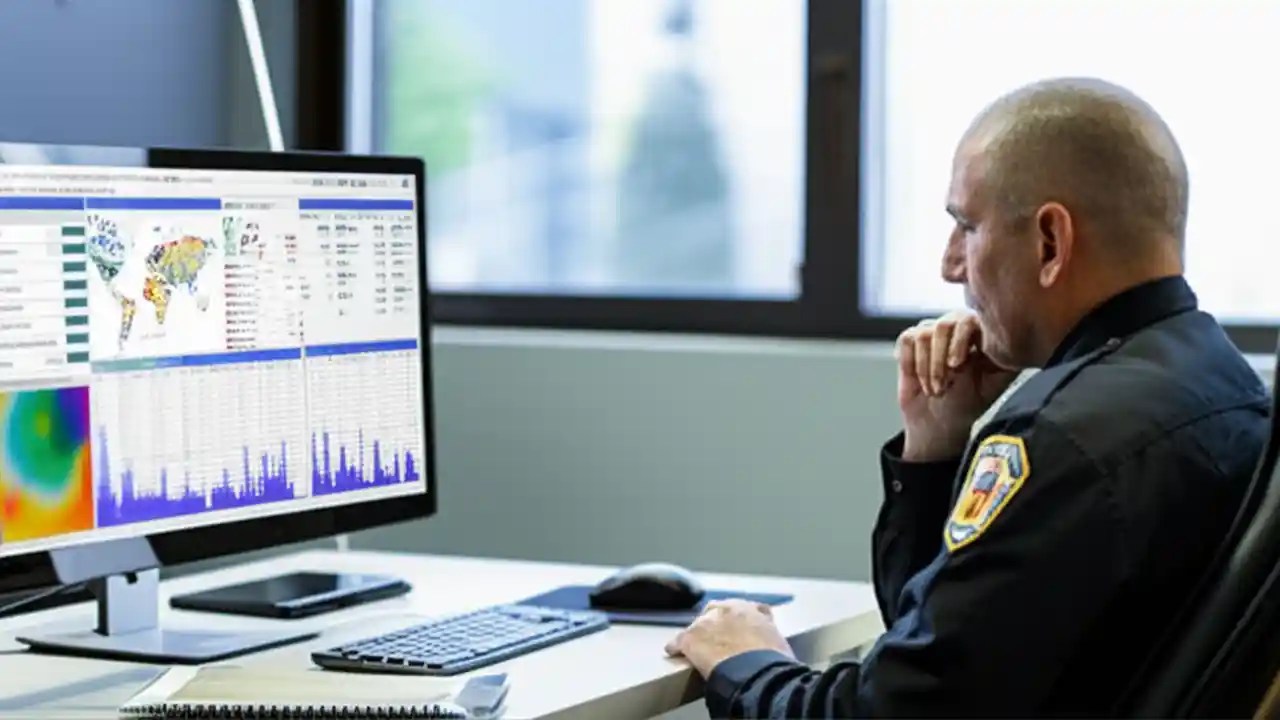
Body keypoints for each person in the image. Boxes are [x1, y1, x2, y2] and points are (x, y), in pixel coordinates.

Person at [663, 76, 1272, 717]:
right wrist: (935, 447)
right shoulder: (1216, 379)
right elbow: (943, 649)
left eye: (966, 227)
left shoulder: (1065, 441)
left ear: (1050, 242)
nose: (950, 265)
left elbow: (887, 714)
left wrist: (745, 661)